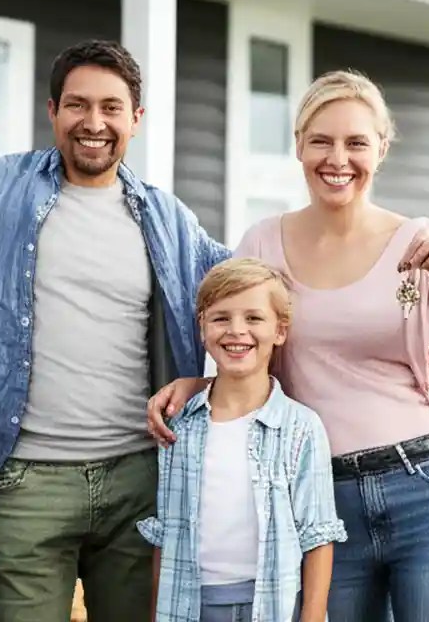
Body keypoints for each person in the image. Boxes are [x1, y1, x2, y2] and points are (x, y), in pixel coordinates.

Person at [147, 70, 429, 621]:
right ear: (300, 147)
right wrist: (201, 383)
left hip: (428, 489)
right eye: (322, 141)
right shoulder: (263, 241)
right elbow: (248, 340)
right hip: (320, 499)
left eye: (357, 142)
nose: (338, 158)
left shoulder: (421, 242)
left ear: (380, 149)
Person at [0, 39, 231, 621]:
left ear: (135, 119)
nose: (93, 123)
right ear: (52, 112)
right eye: (76, 105)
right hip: (25, 484)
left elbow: (251, 298)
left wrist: (210, 387)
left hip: (138, 482)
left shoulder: (168, 219)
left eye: (111, 107)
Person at [138, 257, 344, 622]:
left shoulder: (300, 428)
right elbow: (166, 535)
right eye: (221, 318)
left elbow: (318, 539)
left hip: (271, 607)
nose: (236, 330)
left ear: (280, 330)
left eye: (253, 318)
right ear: (202, 328)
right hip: (190, 606)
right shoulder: (179, 425)